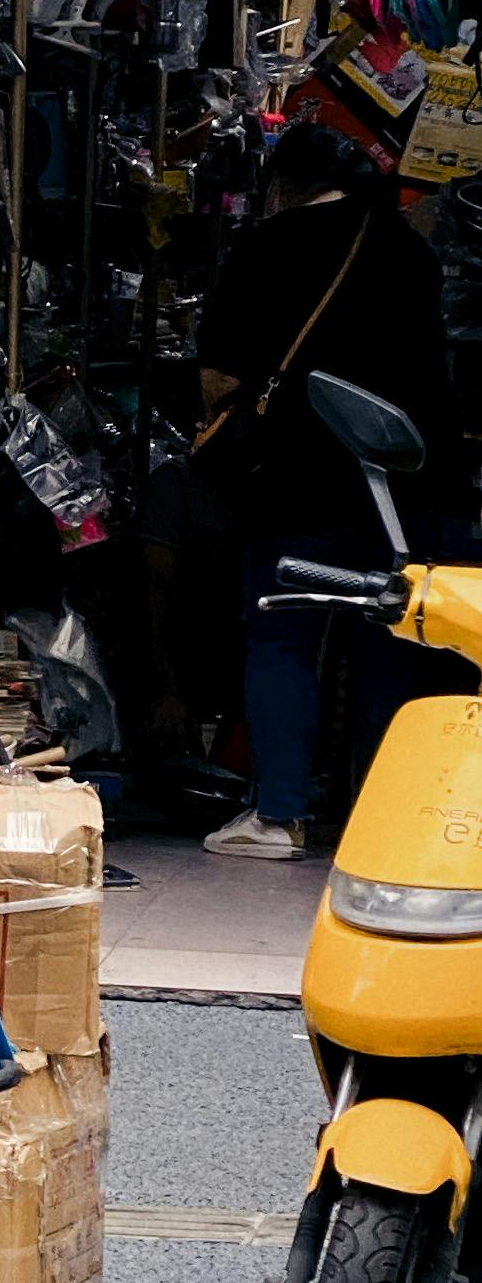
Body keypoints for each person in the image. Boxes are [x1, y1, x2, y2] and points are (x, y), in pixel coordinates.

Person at [197, 121, 448, 858]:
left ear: (283, 185)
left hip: (295, 482)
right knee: (390, 646)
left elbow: (218, 376)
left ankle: (278, 816)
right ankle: (379, 817)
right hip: (399, 489)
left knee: (283, 639)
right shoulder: (408, 249)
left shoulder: (264, 247)